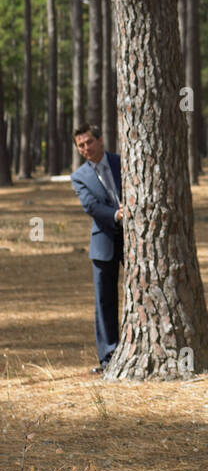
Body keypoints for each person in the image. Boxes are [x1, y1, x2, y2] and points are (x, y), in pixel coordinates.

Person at [71, 123, 124, 373]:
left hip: (134, 241)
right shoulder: (79, 176)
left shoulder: (122, 161)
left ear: (100, 140)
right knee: (104, 300)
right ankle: (108, 356)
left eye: (89, 142)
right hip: (103, 242)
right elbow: (90, 206)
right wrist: (116, 215)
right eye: (80, 145)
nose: (85, 148)